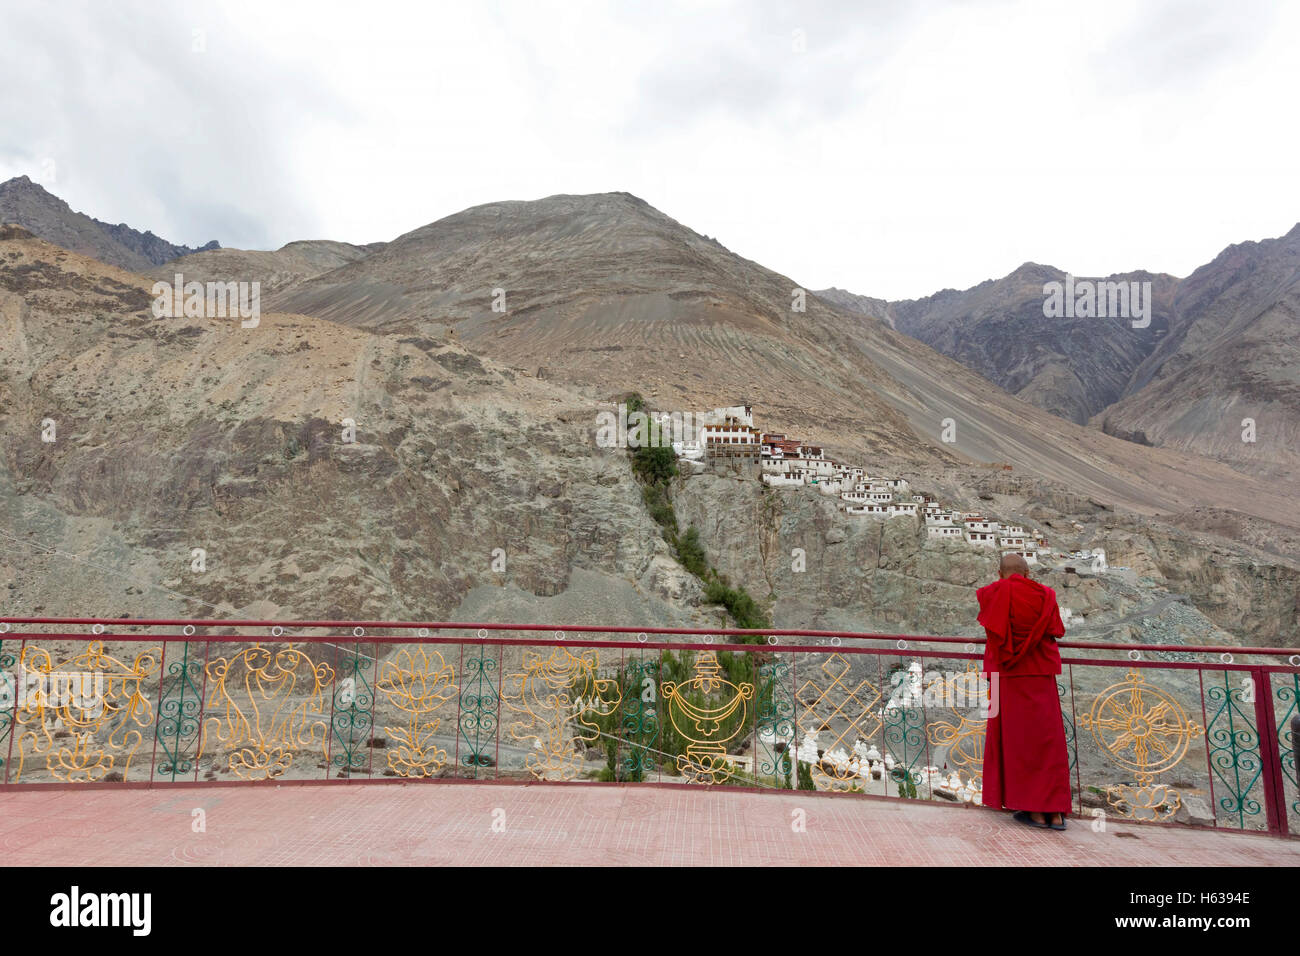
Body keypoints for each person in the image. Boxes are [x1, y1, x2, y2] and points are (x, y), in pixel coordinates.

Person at [977, 552, 1071, 830]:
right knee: (1047, 743)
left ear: (999, 573)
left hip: (1008, 677)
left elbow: (988, 612)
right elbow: (1056, 629)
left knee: (1017, 742)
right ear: (1028, 574)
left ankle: (1032, 809)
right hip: (1040, 674)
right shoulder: (1046, 594)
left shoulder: (993, 592)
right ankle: (1054, 813)